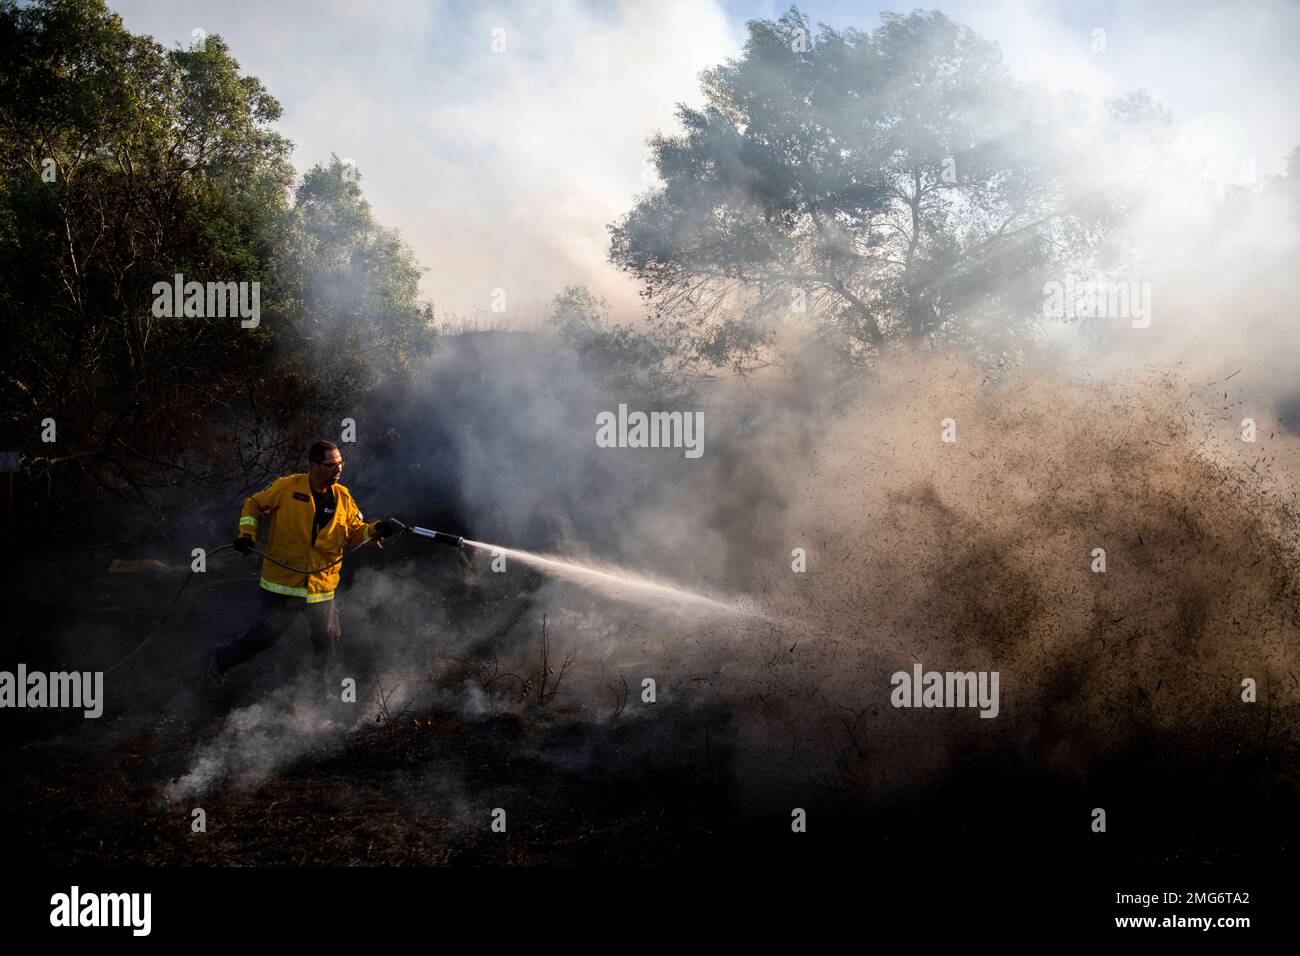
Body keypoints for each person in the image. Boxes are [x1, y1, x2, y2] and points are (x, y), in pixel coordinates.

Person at [204, 441, 400, 689]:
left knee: (327, 638)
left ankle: (321, 692)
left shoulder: (343, 497)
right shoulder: (287, 487)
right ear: (313, 465)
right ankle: (220, 659)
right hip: (283, 584)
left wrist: (377, 530)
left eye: (340, 463)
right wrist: (246, 534)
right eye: (331, 465)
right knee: (264, 638)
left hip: (320, 587)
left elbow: (356, 534)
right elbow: (253, 505)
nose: (338, 469)